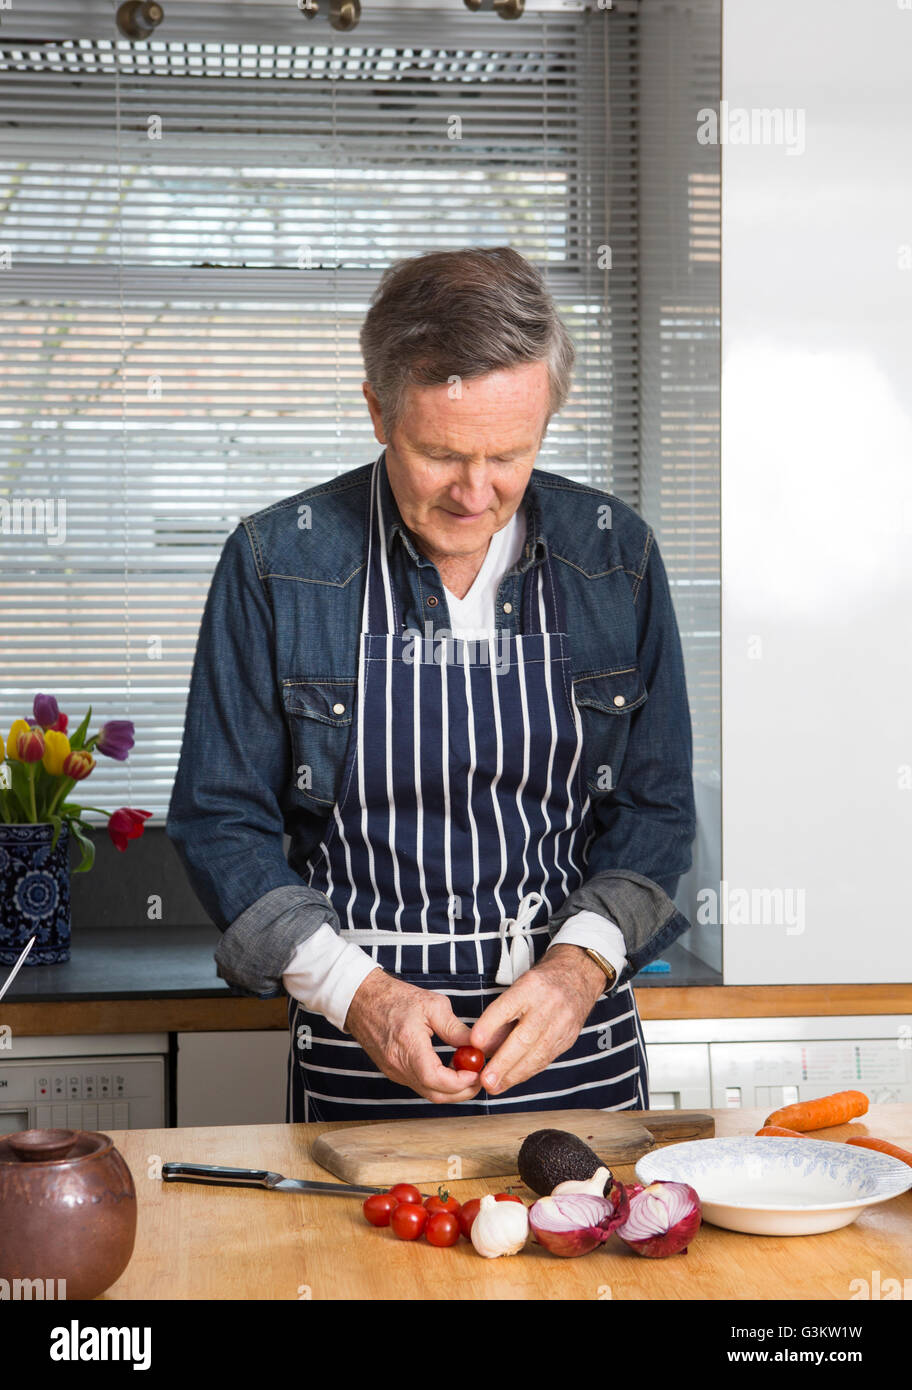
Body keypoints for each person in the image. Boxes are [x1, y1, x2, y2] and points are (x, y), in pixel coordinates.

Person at [166, 246, 696, 1122]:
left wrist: (576, 971)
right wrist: (359, 994)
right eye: (441, 454)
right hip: (360, 1046)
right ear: (378, 411)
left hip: (573, 1040)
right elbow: (222, 820)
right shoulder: (276, 564)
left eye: (510, 454)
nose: (476, 493)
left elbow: (657, 808)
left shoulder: (615, 556)